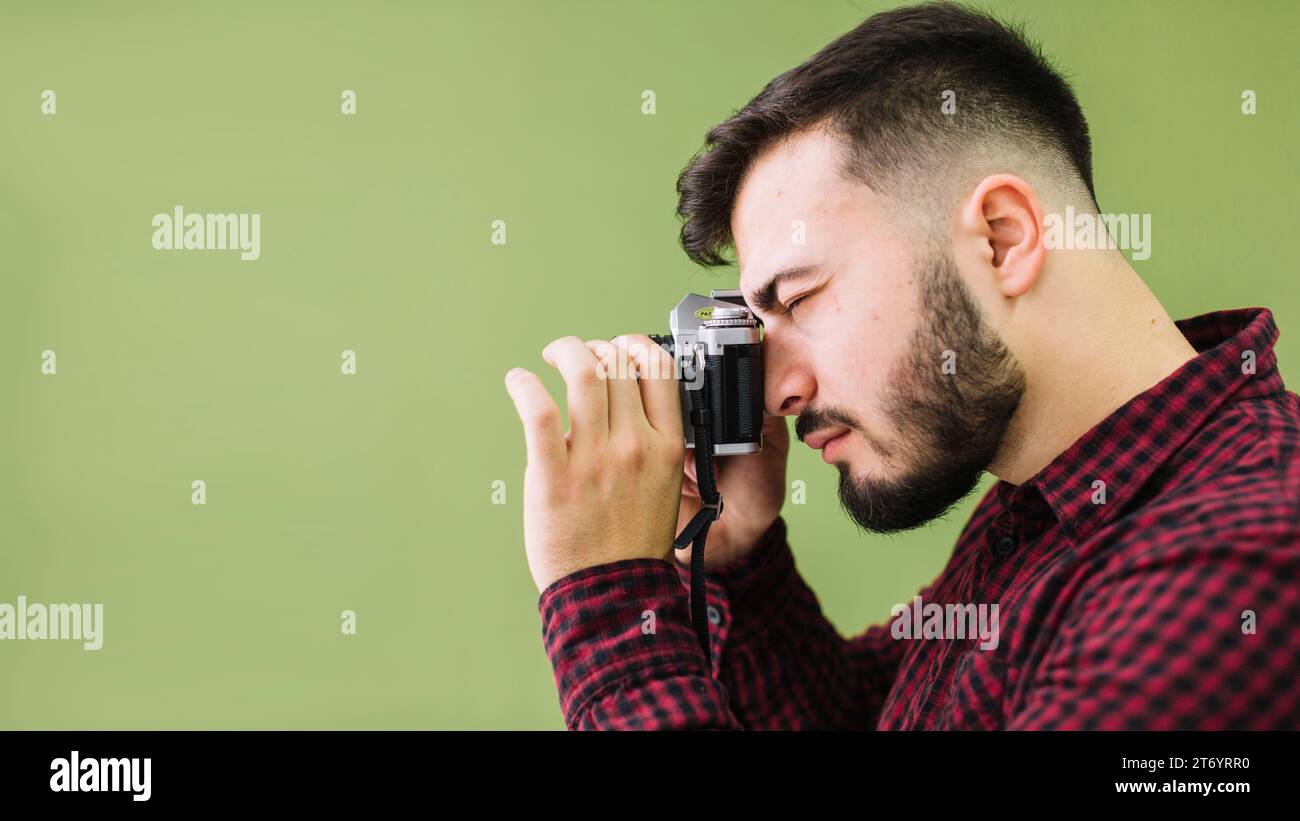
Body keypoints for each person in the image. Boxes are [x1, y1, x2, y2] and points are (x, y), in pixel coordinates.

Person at [503, 1, 1300, 729]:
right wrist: (740, 560)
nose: (779, 390)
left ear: (1002, 238)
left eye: (801, 298)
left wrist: (606, 603)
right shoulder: (1042, 511)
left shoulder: (1238, 562)